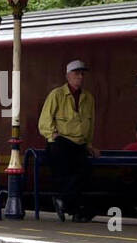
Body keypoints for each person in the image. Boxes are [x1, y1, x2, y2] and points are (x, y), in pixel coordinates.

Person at [38, 59, 97, 222]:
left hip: (79, 144)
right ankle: (71, 206)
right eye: (77, 74)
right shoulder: (56, 95)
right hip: (61, 142)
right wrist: (53, 136)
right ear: (68, 76)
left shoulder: (88, 98)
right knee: (67, 171)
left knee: (84, 172)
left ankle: (64, 201)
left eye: (82, 74)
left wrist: (89, 144)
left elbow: (90, 124)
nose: (80, 77)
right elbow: (44, 121)